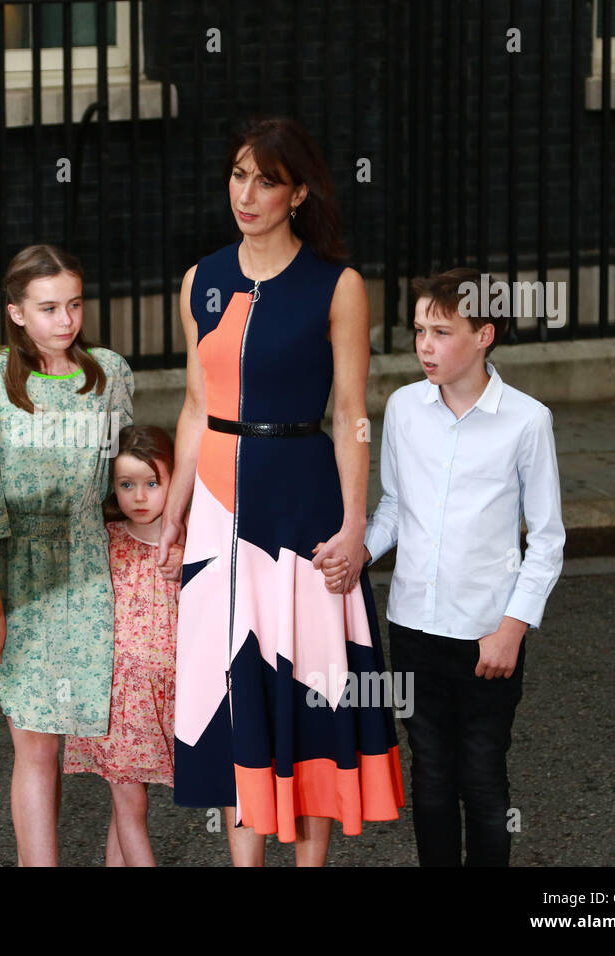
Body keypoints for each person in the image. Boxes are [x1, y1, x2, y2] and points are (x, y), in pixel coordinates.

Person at [156, 116, 404, 867]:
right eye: (238, 175)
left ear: (298, 192)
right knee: (234, 688)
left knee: (306, 685)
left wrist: (356, 524)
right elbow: (197, 405)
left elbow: (353, 414)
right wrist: (174, 516)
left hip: (302, 500)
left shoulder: (339, 284)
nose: (247, 193)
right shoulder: (201, 280)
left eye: (266, 180)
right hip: (219, 514)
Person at [321, 267, 565, 866]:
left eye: (441, 332)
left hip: (488, 635)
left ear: (484, 335)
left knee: (482, 777)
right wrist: (357, 550)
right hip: (413, 631)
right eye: (418, 331)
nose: (424, 346)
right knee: (429, 776)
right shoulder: (404, 408)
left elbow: (549, 539)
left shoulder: (527, 421)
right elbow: (397, 509)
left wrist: (513, 628)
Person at [0, 244, 134, 866]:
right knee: (37, 748)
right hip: (16, 578)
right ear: (16, 312)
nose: (65, 320)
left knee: (122, 746)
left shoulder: (109, 373)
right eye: (48, 307)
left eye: (74, 305)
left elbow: (124, 481)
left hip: (94, 573)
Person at [63, 425, 181, 867]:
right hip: (119, 696)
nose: (139, 496)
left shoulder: (189, 545)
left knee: (128, 804)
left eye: (153, 483)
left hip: (169, 692)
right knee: (131, 805)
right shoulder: (106, 541)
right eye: (126, 485)